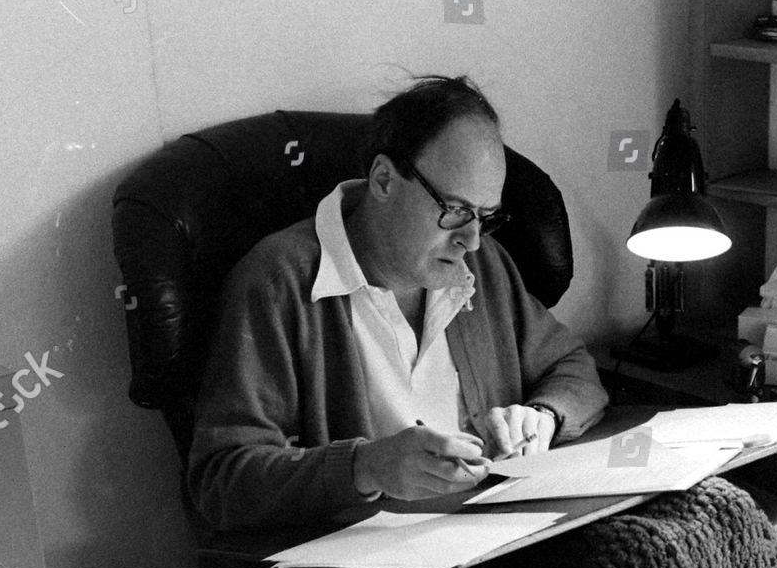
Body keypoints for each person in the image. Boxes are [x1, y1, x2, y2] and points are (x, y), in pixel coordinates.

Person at [188, 75, 608, 531]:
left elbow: (574, 367)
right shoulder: (277, 283)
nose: (471, 239)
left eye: (487, 217)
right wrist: (365, 467)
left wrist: (542, 416)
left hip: (493, 540)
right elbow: (221, 482)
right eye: (455, 209)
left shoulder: (482, 265)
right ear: (384, 179)